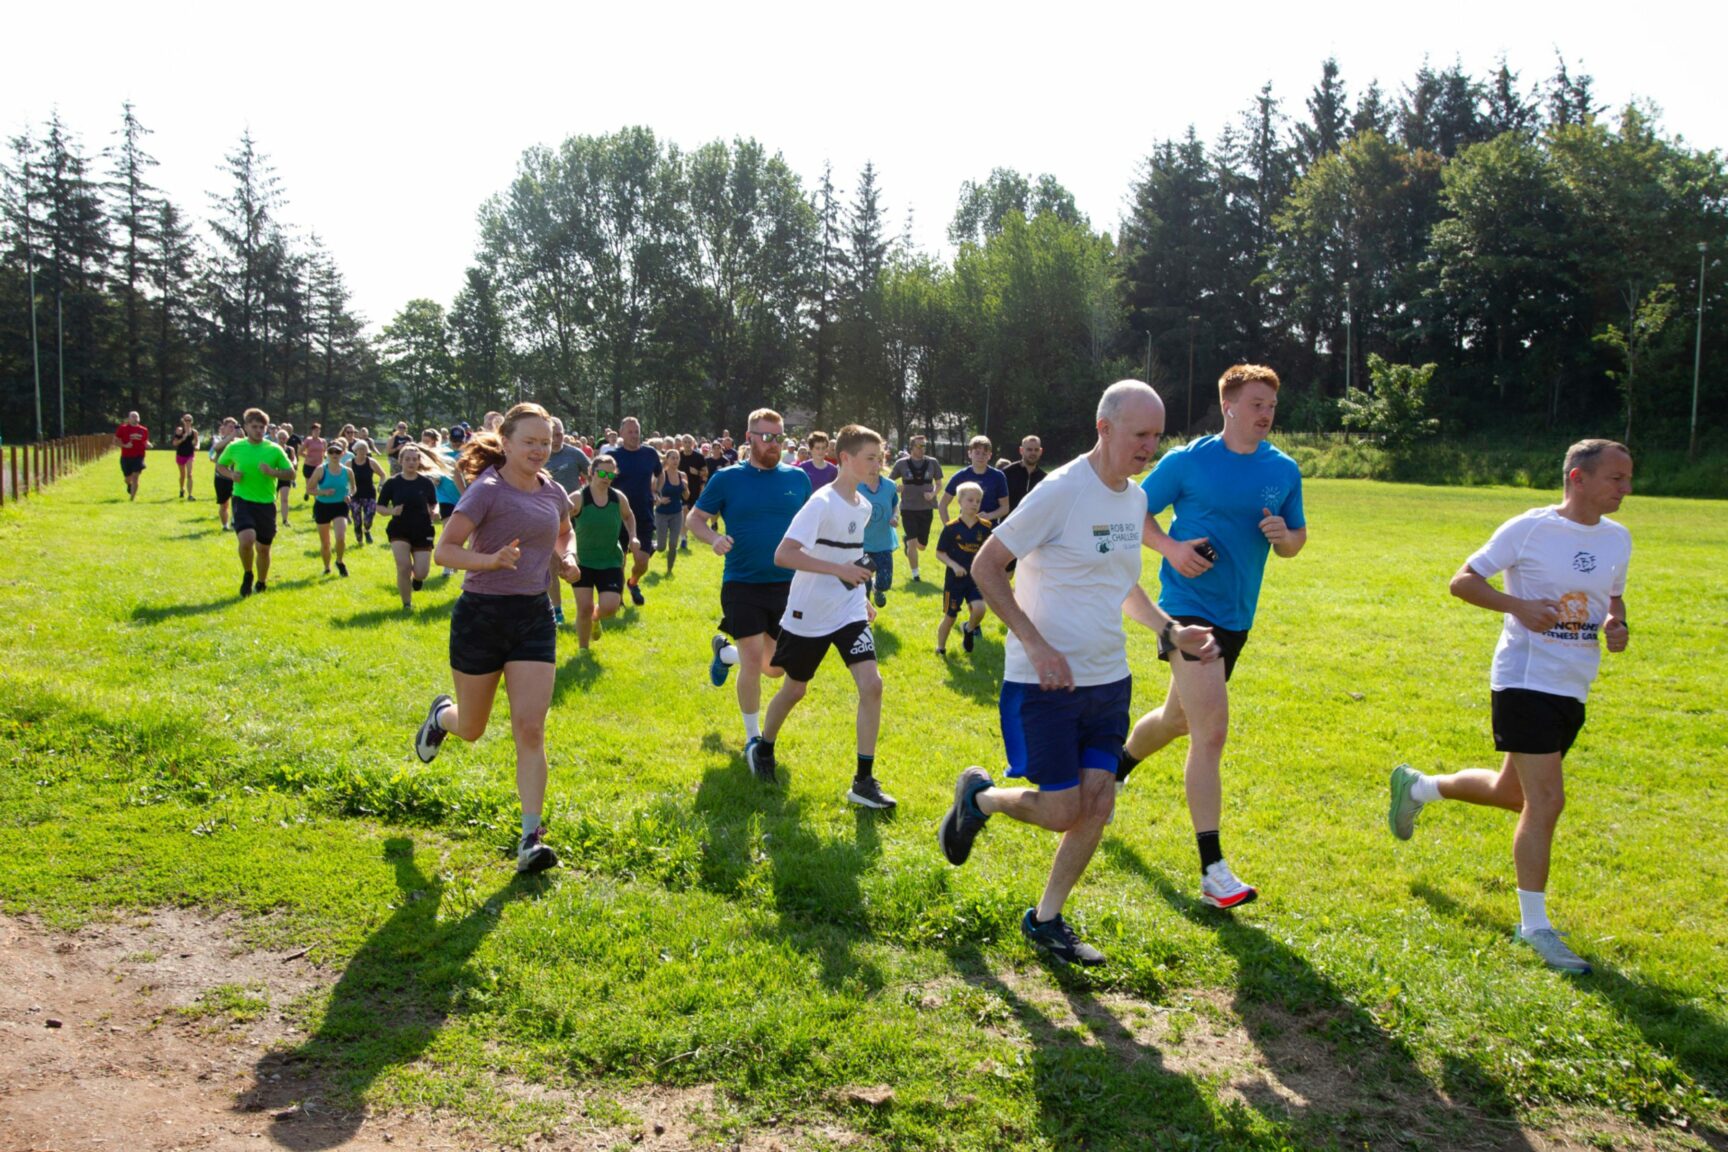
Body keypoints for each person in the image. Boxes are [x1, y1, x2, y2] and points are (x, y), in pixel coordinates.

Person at [936, 381, 1219, 967]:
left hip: (1108, 680)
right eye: (1140, 435)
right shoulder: (1060, 491)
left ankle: (1046, 920)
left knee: (1099, 803)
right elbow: (989, 565)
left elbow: (1122, 585)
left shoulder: (1135, 500)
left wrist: (1169, 632)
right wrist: (1036, 645)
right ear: (1104, 428)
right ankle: (980, 799)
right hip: (1045, 683)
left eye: (1157, 437)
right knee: (1063, 809)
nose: (1149, 447)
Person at [1388, 440, 1633, 975]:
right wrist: (1516, 605)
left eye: (1627, 479)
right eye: (1616, 478)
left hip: (1573, 684)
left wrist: (1616, 624)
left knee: (1512, 793)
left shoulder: (1618, 539)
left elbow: (1612, 598)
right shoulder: (1530, 528)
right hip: (1525, 680)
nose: (1626, 489)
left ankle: (1418, 786)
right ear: (1578, 478)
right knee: (1546, 802)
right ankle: (1534, 928)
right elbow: (1463, 581)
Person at [1117, 364, 1307, 910]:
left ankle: (1114, 771)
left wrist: (1284, 536)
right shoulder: (1188, 461)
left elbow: (1296, 540)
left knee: (1179, 720)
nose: (1265, 412)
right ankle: (1213, 871)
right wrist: (1172, 549)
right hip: (1185, 608)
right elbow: (1136, 514)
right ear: (1228, 406)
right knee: (1212, 733)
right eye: (1255, 403)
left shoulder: (1284, 469)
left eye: (1270, 403)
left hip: (1237, 616)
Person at [415, 403, 579, 874]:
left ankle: (531, 838)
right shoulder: (486, 492)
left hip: (532, 615)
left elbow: (565, 533)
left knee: (531, 728)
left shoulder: (553, 490)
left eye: (545, 442)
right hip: (482, 615)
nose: (538, 450)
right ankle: (441, 716)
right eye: (529, 442)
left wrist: (566, 559)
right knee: (472, 727)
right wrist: (489, 561)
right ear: (504, 442)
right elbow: (446, 550)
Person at [748, 425, 895, 808]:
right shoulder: (820, 503)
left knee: (873, 685)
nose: (877, 465)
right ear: (845, 459)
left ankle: (863, 781)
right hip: (808, 611)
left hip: (847, 609)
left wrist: (860, 595)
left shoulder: (862, 507)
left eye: (880, 459)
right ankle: (763, 748)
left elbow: (849, 559)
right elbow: (784, 554)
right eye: (870, 458)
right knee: (794, 689)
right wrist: (840, 572)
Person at [686, 408, 812, 749]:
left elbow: (814, 527)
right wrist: (714, 539)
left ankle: (726, 655)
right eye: (767, 437)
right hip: (741, 581)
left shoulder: (797, 479)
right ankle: (753, 738)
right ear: (749, 438)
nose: (773, 444)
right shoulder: (727, 479)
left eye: (779, 437)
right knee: (754, 659)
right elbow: (695, 519)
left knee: (775, 668)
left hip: (787, 584)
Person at [214, 408, 297, 597]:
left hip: (266, 503)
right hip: (242, 499)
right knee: (246, 540)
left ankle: (261, 581)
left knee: (263, 548)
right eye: (254, 427)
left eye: (262, 427)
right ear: (246, 427)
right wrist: (231, 475)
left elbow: (291, 473)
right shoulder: (235, 446)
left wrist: (273, 472)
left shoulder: (274, 449)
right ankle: (248, 574)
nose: (258, 430)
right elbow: (220, 465)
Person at [568, 453, 635, 649]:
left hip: (610, 560)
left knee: (610, 606)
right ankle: (583, 649)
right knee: (584, 608)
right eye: (602, 473)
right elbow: (560, 520)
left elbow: (629, 516)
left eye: (611, 475)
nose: (606, 478)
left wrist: (633, 536)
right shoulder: (578, 498)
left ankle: (595, 618)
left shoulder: (617, 497)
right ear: (591, 472)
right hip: (583, 561)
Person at [378, 444, 443, 611]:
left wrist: (434, 512)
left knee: (422, 572)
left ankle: (417, 579)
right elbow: (380, 507)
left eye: (414, 459)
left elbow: (434, 503)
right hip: (399, 529)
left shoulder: (426, 483)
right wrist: (393, 511)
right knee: (403, 566)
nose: (411, 462)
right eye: (407, 459)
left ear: (419, 461)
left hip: (422, 529)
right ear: (401, 461)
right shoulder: (393, 483)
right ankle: (407, 604)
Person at [609, 416, 662, 606]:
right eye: (630, 432)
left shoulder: (650, 454)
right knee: (619, 559)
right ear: (621, 433)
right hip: (619, 515)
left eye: (637, 431)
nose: (634, 435)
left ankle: (633, 582)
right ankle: (619, 597)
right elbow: (602, 480)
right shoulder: (614, 457)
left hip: (644, 513)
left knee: (642, 562)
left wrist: (656, 489)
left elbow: (660, 473)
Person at [934, 482, 991, 655]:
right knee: (950, 617)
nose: (974, 504)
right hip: (955, 581)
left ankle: (969, 628)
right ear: (959, 502)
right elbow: (939, 553)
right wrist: (954, 565)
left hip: (976, 579)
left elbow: (989, 552)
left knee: (980, 608)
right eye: (970, 500)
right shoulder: (951, 528)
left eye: (978, 501)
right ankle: (941, 648)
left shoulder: (986, 527)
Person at [889, 435, 942, 582]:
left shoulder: (933, 462)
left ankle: (907, 541)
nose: (922, 449)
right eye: (918, 446)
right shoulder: (901, 464)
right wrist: (896, 487)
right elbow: (888, 482)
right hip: (908, 508)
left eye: (924, 446)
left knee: (922, 546)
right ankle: (915, 574)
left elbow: (939, 484)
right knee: (913, 542)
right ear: (911, 447)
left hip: (926, 508)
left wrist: (932, 494)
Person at [857, 455, 899, 610]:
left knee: (885, 582)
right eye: (871, 461)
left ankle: (878, 589)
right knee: (863, 586)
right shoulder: (857, 486)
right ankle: (864, 619)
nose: (875, 466)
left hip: (883, 543)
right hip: (863, 545)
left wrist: (895, 516)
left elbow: (895, 505)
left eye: (879, 462)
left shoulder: (890, 486)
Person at [939, 436, 1010, 525]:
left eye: (984, 453)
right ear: (970, 454)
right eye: (977, 453)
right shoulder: (961, 476)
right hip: (966, 528)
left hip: (990, 528)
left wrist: (988, 516)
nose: (980, 456)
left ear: (990, 455)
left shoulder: (998, 476)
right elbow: (942, 505)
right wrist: (949, 529)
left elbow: (1005, 507)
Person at [308, 437, 352, 577]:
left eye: (337, 452)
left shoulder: (347, 471)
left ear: (342, 454)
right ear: (326, 453)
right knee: (326, 543)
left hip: (340, 506)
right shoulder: (321, 470)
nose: (334, 455)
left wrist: (349, 495)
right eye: (331, 452)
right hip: (323, 507)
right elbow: (309, 489)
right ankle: (327, 567)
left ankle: (339, 561)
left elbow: (353, 488)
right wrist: (323, 492)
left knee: (340, 537)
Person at [650, 448, 689, 574]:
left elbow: (687, 496)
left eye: (677, 458)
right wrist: (660, 500)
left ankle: (669, 571)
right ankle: (653, 545)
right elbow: (652, 493)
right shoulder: (661, 475)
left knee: (673, 544)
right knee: (661, 547)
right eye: (673, 458)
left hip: (677, 513)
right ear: (667, 459)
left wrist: (685, 487)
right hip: (661, 513)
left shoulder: (682, 476)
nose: (675, 460)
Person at [347, 440, 386, 545]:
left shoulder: (371, 462)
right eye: (359, 449)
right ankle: (359, 539)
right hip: (355, 494)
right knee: (357, 520)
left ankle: (367, 530)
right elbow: (343, 478)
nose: (362, 451)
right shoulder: (349, 463)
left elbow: (383, 475)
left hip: (369, 493)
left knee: (369, 516)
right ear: (355, 450)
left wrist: (381, 485)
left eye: (364, 449)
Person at [1002, 435, 1047, 519]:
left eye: (1036, 450)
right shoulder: (1007, 473)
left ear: (1041, 451)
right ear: (1021, 450)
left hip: (1032, 526)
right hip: (1008, 526)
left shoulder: (1044, 479)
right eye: (1029, 449)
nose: (1033, 453)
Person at [209, 417, 240, 529]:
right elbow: (217, 447)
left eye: (234, 427)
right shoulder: (218, 439)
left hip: (236, 477)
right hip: (221, 477)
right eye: (230, 426)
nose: (232, 429)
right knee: (224, 504)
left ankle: (234, 522)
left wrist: (241, 436)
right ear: (224, 427)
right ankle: (224, 525)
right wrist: (231, 437)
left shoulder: (240, 442)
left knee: (237, 502)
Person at [114, 411, 151, 501]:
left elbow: (145, 441)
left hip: (139, 456)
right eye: (133, 416)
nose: (135, 418)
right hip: (126, 457)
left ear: (139, 418)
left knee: (135, 476)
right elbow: (115, 441)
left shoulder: (144, 430)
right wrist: (125, 445)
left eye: (136, 416)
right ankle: (129, 485)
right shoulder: (123, 428)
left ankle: (132, 498)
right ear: (129, 418)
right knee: (127, 478)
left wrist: (149, 444)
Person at [170, 414, 199, 500]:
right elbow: (174, 443)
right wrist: (183, 438)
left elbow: (197, 441)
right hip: (180, 455)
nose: (188, 422)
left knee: (189, 474)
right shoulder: (179, 430)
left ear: (192, 421)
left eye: (189, 420)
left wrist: (197, 446)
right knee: (182, 475)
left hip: (190, 454)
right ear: (183, 421)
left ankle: (190, 495)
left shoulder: (194, 432)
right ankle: (181, 489)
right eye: (186, 420)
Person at [274, 428, 298, 526]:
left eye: (284, 438)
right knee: (273, 500)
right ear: (277, 438)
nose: (282, 440)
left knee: (284, 499)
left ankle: (285, 520)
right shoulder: (273, 448)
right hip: (274, 476)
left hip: (285, 477)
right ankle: (272, 520)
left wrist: (293, 464)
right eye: (280, 438)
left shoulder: (290, 449)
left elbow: (294, 459)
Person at [300, 423, 327, 501]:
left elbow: (325, 451)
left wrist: (324, 455)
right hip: (309, 465)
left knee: (317, 485)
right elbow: (300, 451)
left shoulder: (323, 441)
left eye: (318, 430)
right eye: (315, 430)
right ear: (312, 431)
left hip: (319, 466)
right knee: (309, 483)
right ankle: (307, 492)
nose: (317, 432)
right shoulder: (308, 440)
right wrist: (307, 456)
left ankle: (316, 500)